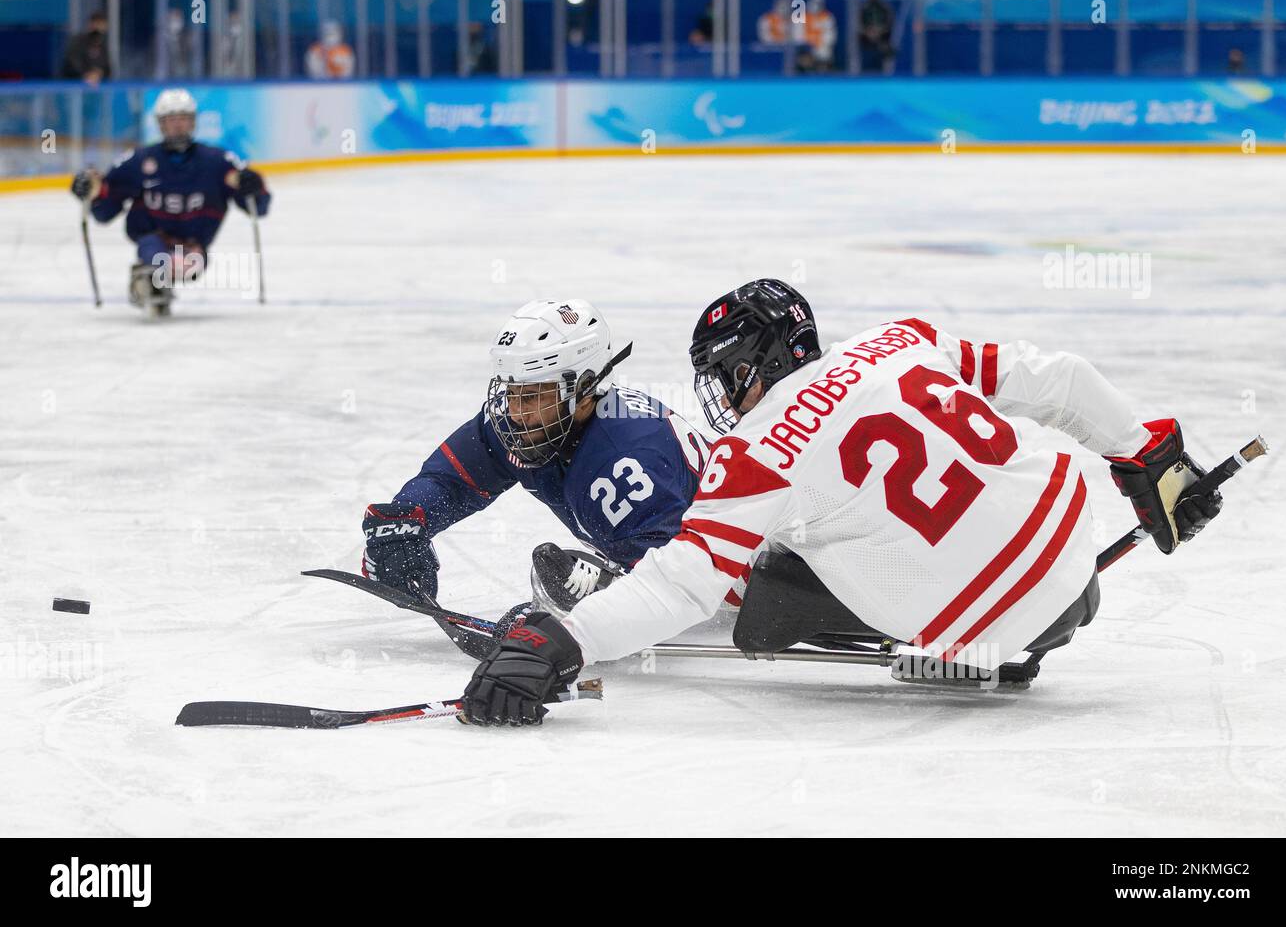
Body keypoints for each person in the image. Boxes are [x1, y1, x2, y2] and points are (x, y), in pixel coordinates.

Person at [459, 279, 1223, 726]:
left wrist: (566, 641)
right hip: (1072, 560)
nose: (719, 397)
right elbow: (1056, 378)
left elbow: (682, 583)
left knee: (761, 570)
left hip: (972, 628)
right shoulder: (901, 339)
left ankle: (625, 592)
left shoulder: (759, 450)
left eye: (721, 376)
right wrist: (1147, 454)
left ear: (750, 368)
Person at [361, 299, 713, 629]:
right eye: (511, 393)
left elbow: (678, 589)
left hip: (746, 571)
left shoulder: (629, 460)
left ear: (585, 386)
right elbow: (452, 481)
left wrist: (581, 611)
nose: (515, 412)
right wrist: (408, 520)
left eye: (531, 395)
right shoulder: (534, 425)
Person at [69, 88, 270, 316]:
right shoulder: (139, 160)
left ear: (193, 122)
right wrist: (91, 190)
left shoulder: (216, 161)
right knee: (156, 254)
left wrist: (253, 186)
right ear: (160, 124)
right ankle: (150, 277)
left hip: (193, 247)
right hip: (152, 239)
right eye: (170, 120)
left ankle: (154, 277)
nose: (177, 125)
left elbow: (258, 207)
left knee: (185, 263)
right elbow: (105, 209)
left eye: (183, 119)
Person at [61, 11, 111, 85]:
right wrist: (86, 74)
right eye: (96, 24)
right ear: (90, 24)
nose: (98, 28)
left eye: (101, 25)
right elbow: (72, 62)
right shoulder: (78, 41)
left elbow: (108, 68)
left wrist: (99, 73)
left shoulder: (103, 46)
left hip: (97, 85)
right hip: (74, 84)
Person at [797, 0, 837, 73]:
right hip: (806, 47)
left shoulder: (827, 17)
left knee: (825, 53)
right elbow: (797, 35)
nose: (815, 6)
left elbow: (831, 36)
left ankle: (823, 72)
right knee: (803, 56)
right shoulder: (801, 16)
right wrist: (808, 44)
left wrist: (819, 43)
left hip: (821, 46)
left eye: (818, 4)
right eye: (813, 3)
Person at [859, 0, 895, 73]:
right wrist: (868, 31)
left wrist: (880, 30)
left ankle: (886, 69)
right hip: (867, 35)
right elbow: (859, 22)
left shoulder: (884, 7)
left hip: (882, 34)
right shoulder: (864, 7)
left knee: (886, 44)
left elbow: (889, 22)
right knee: (861, 39)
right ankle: (861, 69)